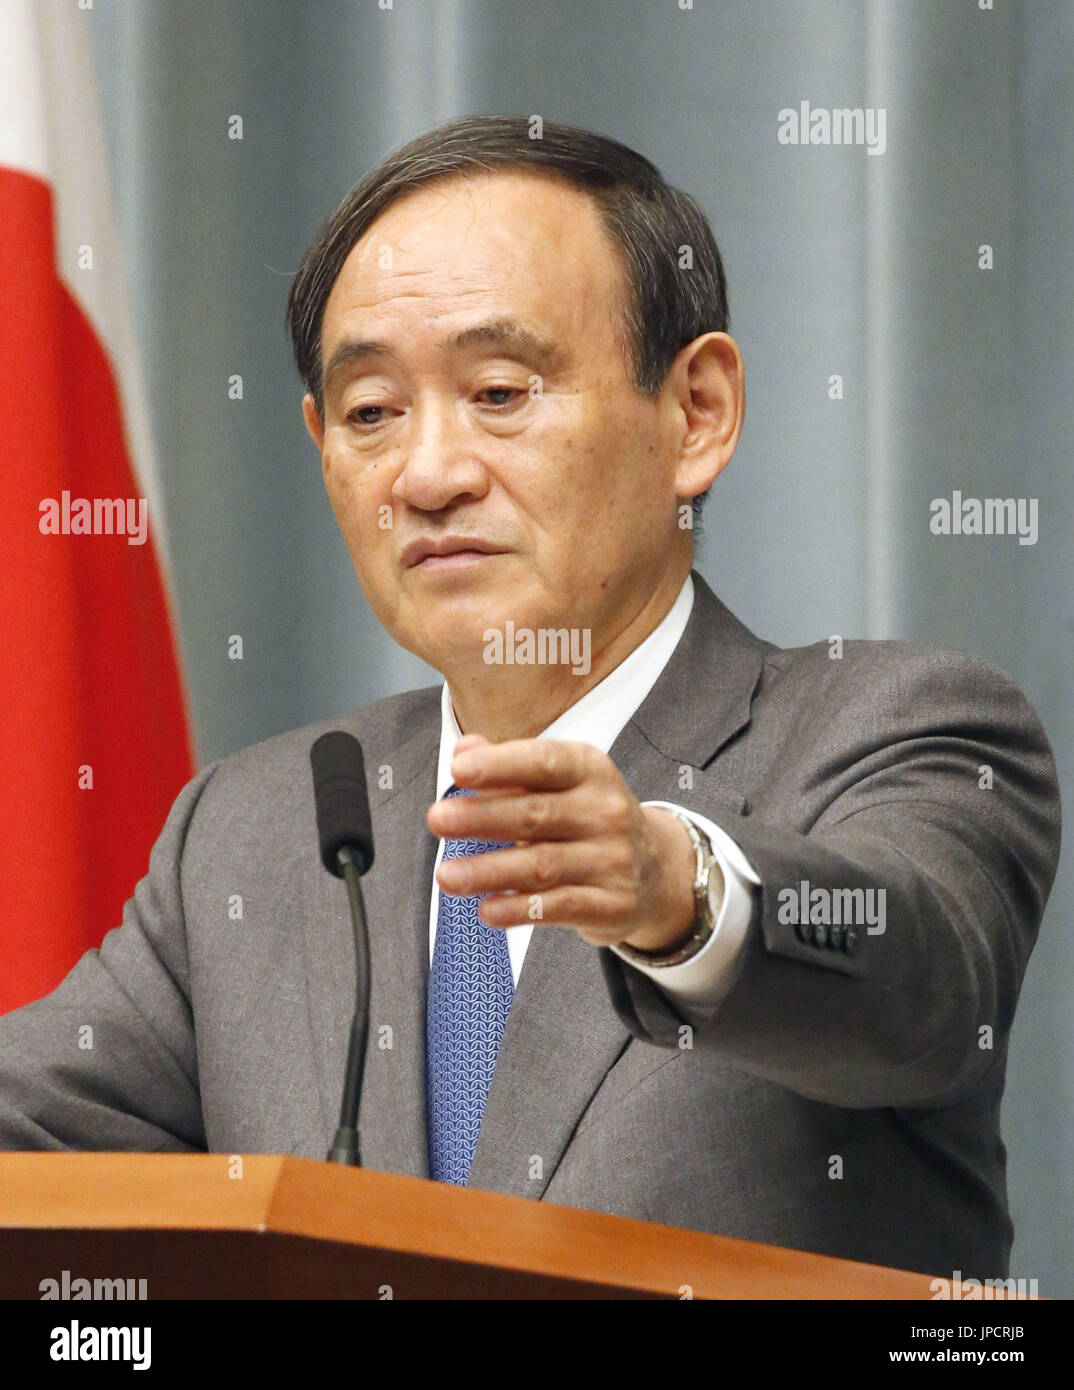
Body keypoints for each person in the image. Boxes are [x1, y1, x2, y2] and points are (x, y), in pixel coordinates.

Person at [0, 116, 1060, 1282]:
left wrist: (680, 891)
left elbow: (919, 981)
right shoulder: (256, 832)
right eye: (370, 413)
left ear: (696, 411)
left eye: (500, 391)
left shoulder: (900, 727)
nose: (429, 473)